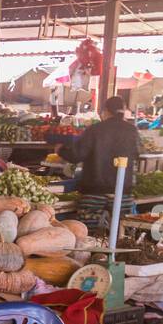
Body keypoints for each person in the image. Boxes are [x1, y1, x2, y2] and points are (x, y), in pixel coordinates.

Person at [58, 95, 142, 233]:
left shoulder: (95, 130)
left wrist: (60, 150)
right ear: (124, 111)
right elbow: (139, 153)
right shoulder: (132, 130)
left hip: (95, 192)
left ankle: (94, 254)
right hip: (123, 193)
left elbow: (76, 155)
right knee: (122, 234)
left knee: (88, 235)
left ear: (106, 111)